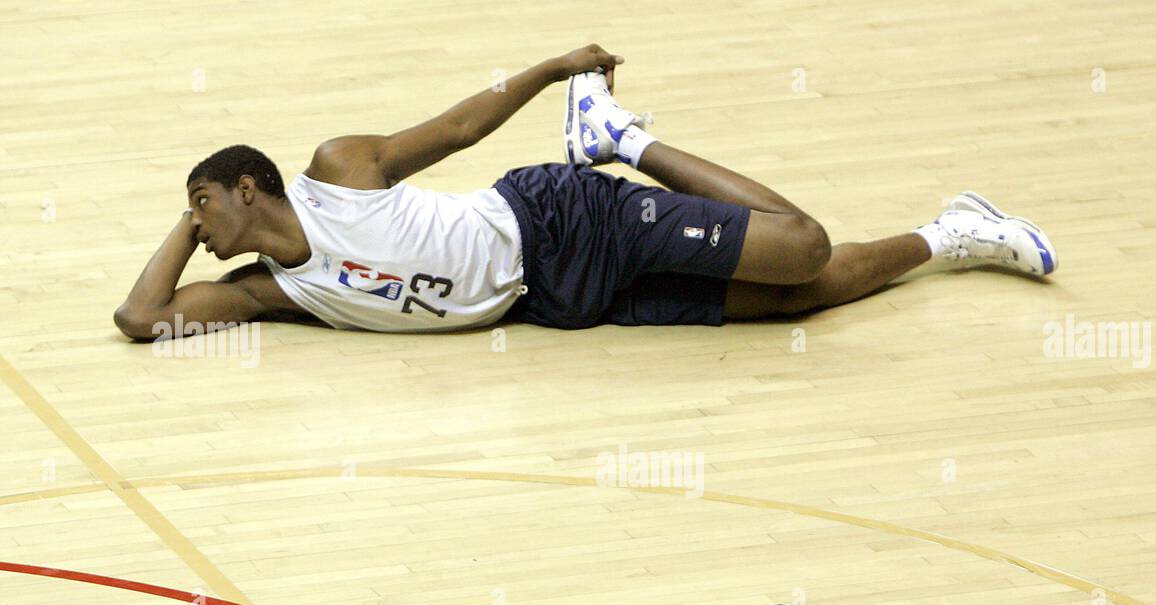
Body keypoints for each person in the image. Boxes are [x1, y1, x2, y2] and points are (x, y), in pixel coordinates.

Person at [115, 44, 1057, 341]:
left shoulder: (337, 171)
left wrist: (554, 70)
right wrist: (185, 225)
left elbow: (456, 131)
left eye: (203, 201)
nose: (198, 222)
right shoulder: (274, 293)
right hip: (559, 300)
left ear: (249, 184)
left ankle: (620, 139)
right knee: (799, 299)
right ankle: (955, 234)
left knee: (801, 246)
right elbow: (142, 318)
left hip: (557, 216)